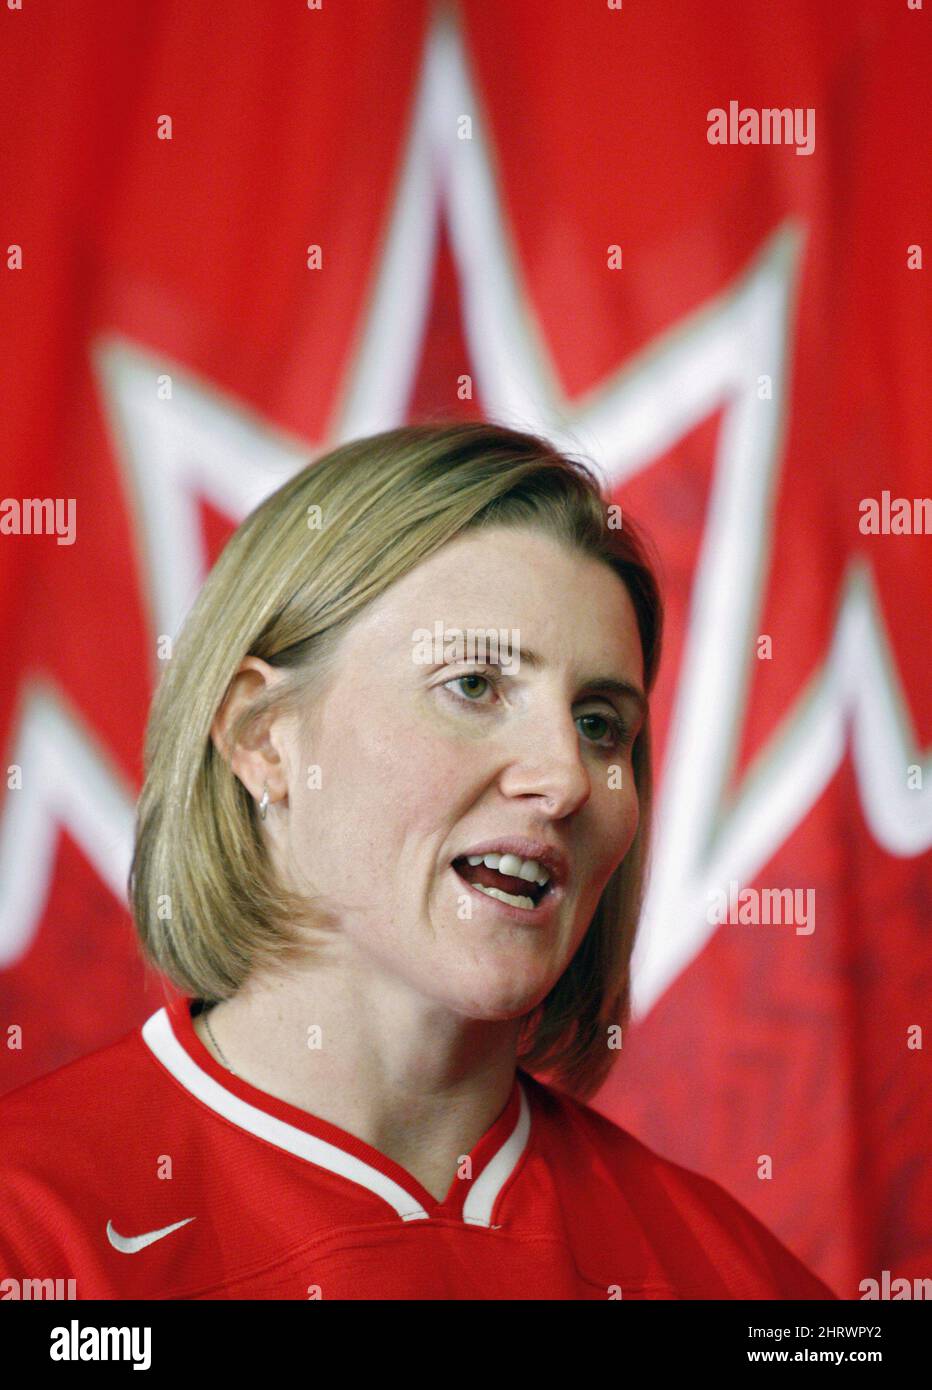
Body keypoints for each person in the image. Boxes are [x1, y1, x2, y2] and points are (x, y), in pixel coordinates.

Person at [0, 422, 836, 1300]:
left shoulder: (736, 1281)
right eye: (473, 686)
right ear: (262, 737)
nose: (564, 779)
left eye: (600, 723)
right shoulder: (32, 1230)